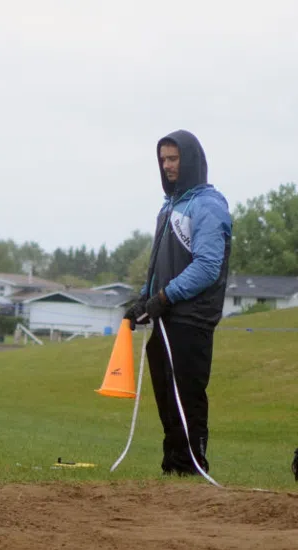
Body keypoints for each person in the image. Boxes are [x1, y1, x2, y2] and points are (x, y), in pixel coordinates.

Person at [124, 130, 232, 477]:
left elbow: (206, 267)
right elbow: (158, 264)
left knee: (187, 396)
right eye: (163, 160)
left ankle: (193, 466)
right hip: (164, 318)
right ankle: (173, 468)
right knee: (166, 400)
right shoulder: (168, 208)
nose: (168, 165)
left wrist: (163, 297)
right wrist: (144, 298)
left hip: (192, 319)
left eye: (174, 158)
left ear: (190, 160)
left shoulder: (209, 206)